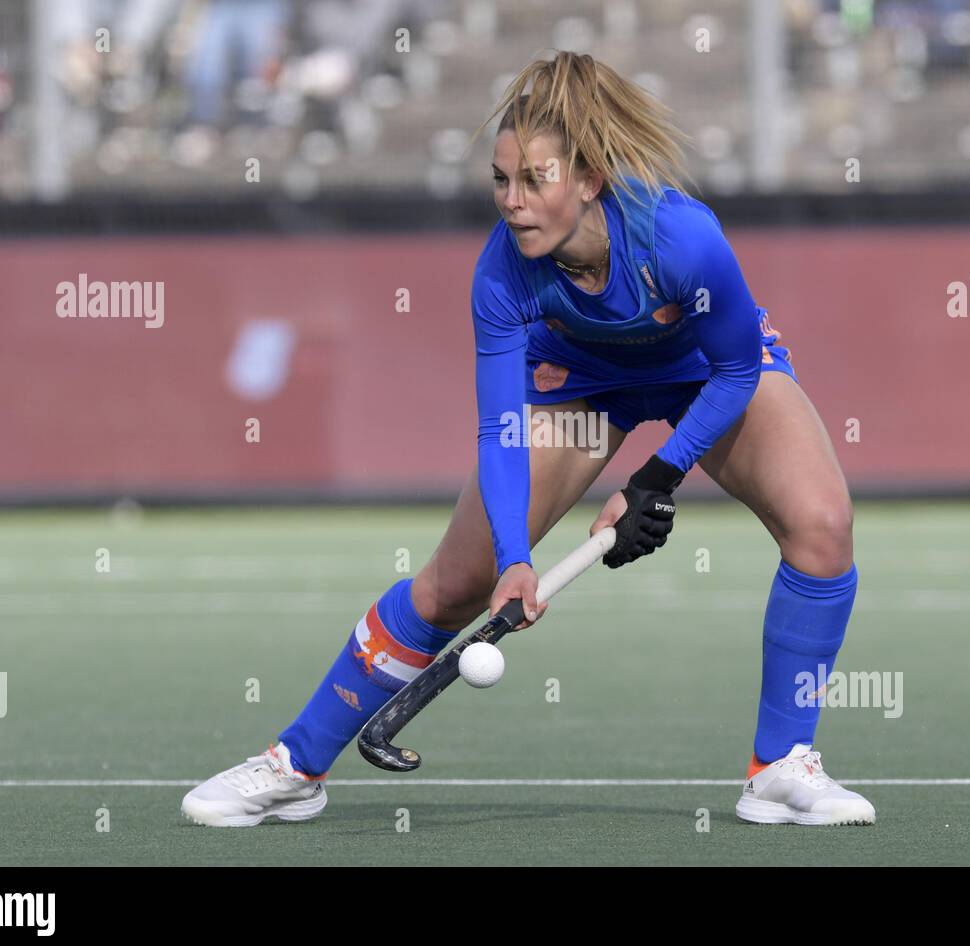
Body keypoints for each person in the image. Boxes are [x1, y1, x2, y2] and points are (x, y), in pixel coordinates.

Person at [181, 51, 875, 828]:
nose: (513, 203)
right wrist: (515, 559)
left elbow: (740, 368)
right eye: (500, 181)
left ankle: (781, 767)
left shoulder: (682, 238)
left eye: (534, 180)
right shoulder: (501, 274)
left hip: (701, 374)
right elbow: (501, 428)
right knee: (454, 583)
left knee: (823, 527)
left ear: (589, 180)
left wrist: (658, 475)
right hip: (579, 387)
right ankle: (294, 766)